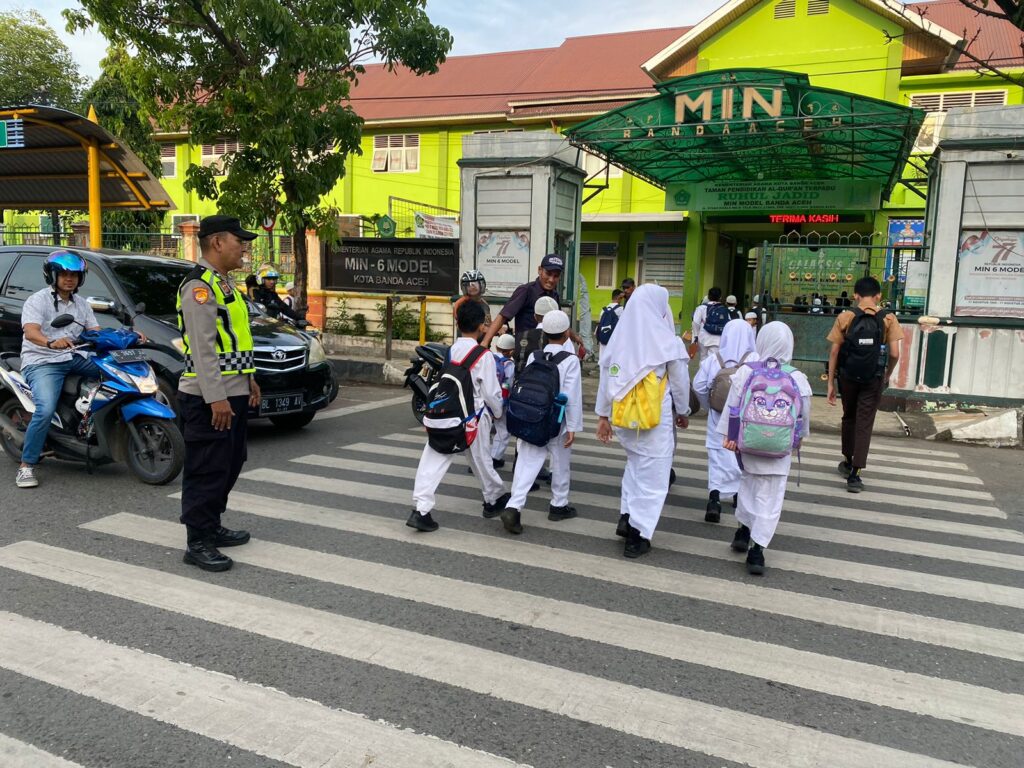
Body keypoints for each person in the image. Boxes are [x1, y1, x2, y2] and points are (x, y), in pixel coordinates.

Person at [177, 215, 262, 572]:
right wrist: (216, 398)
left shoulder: (224, 284)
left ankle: (211, 524)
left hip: (235, 389)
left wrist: (251, 378)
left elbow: (236, 339)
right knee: (207, 468)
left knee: (230, 462)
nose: (245, 246)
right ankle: (197, 541)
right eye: (239, 240)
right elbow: (203, 348)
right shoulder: (199, 287)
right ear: (217, 243)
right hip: (208, 395)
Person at [596, 284, 691, 559]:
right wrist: (682, 411)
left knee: (635, 467)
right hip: (654, 422)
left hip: (625, 420)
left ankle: (626, 517)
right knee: (654, 478)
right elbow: (681, 384)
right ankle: (638, 535)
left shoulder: (617, 340)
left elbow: (606, 380)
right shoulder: (669, 342)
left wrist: (603, 416)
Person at [718, 322, 812, 575]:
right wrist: (798, 440)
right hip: (780, 448)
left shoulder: (746, 372)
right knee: (770, 497)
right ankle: (757, 550)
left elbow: (733, 406)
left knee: (748, 485)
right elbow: (803, 420)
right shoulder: (798, 378)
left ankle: (743, 530)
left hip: (748, 444)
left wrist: (729, 436)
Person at [409, 301, 510, 532]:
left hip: (444, 413)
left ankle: (421, 510)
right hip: (472, 417)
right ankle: (493, 500)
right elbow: (492, 393)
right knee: (480, 459)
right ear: (482, 326)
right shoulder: (483, 356)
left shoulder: (452, 350)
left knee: (433, 458)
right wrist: (497, 413)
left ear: (458, 323)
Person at [15, 251, 102, 488]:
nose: (69, 279)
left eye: (74, 274)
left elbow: (95, 331)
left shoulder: (82, 304)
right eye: (63, 274)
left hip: (73, 357)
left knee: (112, 377)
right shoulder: (38, 300)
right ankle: (26, 466)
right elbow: (31, 332)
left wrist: (128, 336)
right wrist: (51, 342)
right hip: (42, 361)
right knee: (45, 409)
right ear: (52, 276)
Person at [500, 310, 582, 535]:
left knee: (527, 462)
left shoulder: (534, 356)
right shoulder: (570, 360)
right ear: (566, 333)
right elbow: (572, 396)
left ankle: (514, 506)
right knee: (561, 462)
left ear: (544, 333)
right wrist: (573, 427)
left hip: (532, 417)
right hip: (557, 421)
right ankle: (558, 504)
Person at [826, 276, 904, 493]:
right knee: (864, 423)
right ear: (879, 295)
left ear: (855, 295)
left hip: (848, 376)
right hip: (873, 378)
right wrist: (887, 374)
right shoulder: (888, 318)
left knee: (849, 417)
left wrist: (831, 383)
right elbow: (895, 353)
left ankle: (847, 460)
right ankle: (855, 474)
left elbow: (834, 351)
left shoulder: (845, 316)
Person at [693, 319, 757, 523]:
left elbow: (699, 385)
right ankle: (739, 495)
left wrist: (709, 405)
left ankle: (714, 500)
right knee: (741, 458)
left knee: (717, 458)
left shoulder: (714, 359)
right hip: (744, 421)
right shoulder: (756, 359)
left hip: (717, 418)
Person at [481, 254, 564, 348]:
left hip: (547, 351)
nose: (551, 280)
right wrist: (485, 343)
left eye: (556, 276)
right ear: (540, 270)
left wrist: (575, 337)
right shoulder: (526, 291)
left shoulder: (555, 295)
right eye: (548, 274)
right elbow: (503, 316)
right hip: (525, 351)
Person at [491, 333, 516, 469]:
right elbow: (508, 384)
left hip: (486, 400)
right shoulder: (509, 364)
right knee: (503, 431)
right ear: (510, 351)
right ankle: (495, 458)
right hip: (501, 402)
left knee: (484, 431)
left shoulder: (490, 358)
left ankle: (481, 458)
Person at [690, 286, 730, 361]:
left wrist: (695, 336)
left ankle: (703, 372)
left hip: (703, 337)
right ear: (720, 297)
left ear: (708, 296)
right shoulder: (724, 309)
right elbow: (729, 324)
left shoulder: (701, 308)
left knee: (703, 358)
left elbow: (695, 322)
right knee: (714, 360)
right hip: (718, 339)